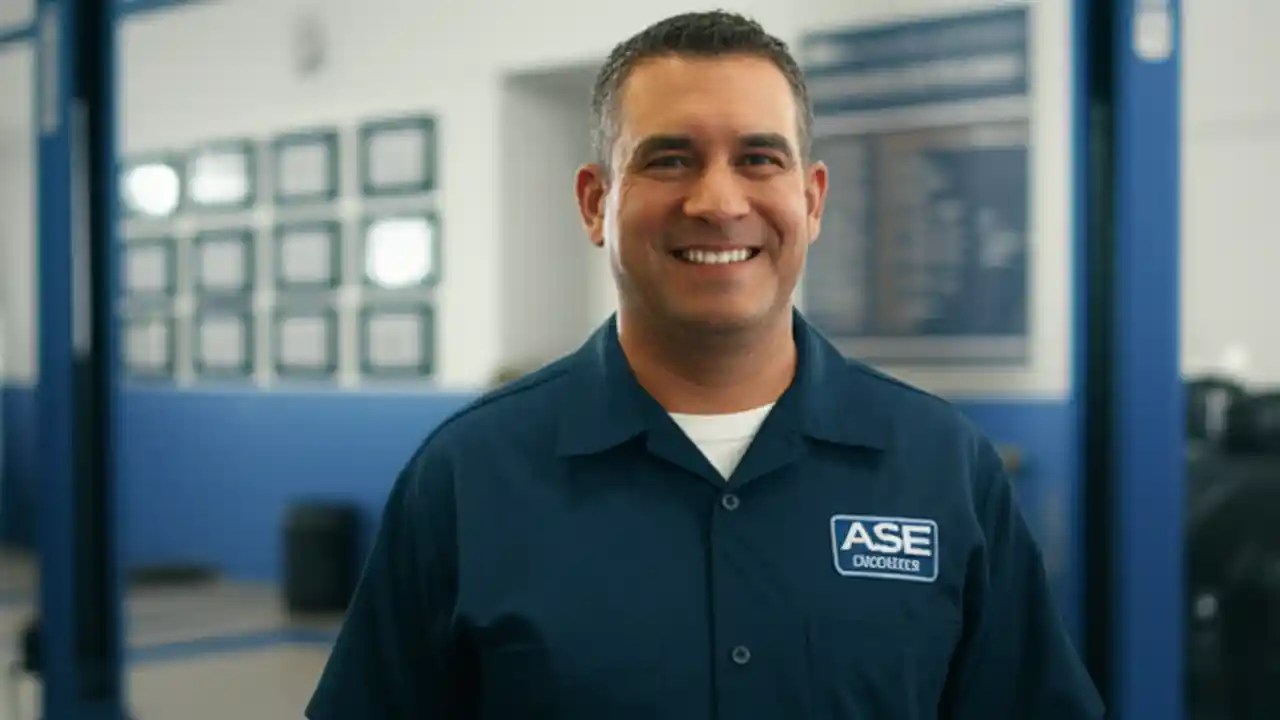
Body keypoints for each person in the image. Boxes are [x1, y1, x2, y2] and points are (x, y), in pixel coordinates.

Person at [305, 10, 1104, 719]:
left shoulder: (942, 467)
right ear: (595, 203)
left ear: (813, 200)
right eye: (669, 160)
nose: (718, 201)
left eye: (759, 159)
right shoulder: (467, 478)